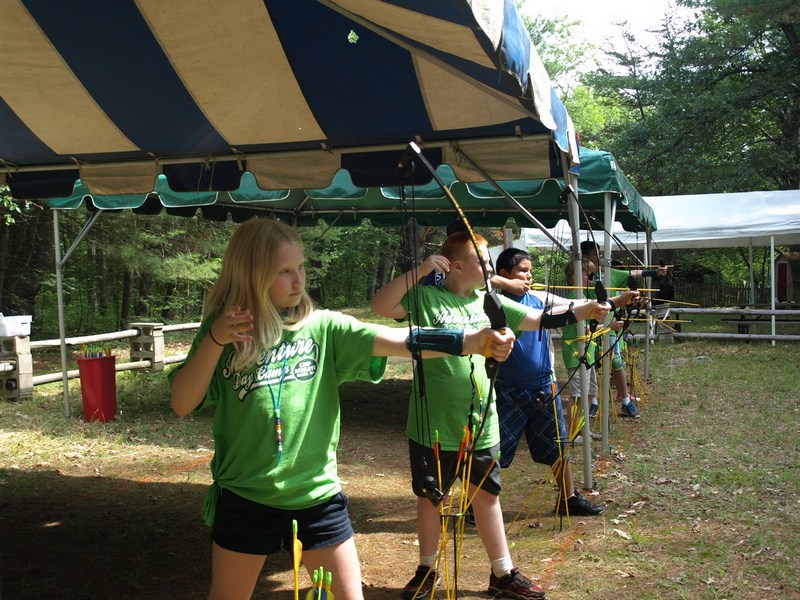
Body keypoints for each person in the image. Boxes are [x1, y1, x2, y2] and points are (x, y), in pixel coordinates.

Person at [169, 219, 516, 600]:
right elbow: (183, 403)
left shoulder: (323, 327)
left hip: (317, 497)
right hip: (245, 497)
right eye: (284, 271)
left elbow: (402, 339)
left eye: (300, 267)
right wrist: (216, 339)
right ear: (250, 274)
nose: (298, 280)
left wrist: (471, 340)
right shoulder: (224, 332)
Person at [370, 231, 612, 600]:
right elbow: (381, 306)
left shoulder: (489, 301)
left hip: (481, 421)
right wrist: (420, 270)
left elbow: (537, 317)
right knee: (430, 498)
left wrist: (586, 309)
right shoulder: (423, 297)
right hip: (432, 423)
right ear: (456, 266)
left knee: (486, 497)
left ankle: (502, 573)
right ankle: (425, 571)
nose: (489, 267)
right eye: (482, 261)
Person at [493, 248, 638, 516]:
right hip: (505, 388)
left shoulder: (538, 298)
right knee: (493, 451)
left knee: (559, 444)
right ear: (503, 274)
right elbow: (479, 282)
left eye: (530, 271)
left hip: (542, 386)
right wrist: (499, 283)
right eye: (522, 271)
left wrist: (617, 301)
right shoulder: (492, 302)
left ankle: (568, 498)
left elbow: (574, 306)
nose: (528, 276)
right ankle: (476, 505)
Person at [578, 241, 667, 418]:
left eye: (599, 253)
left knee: (616, 363)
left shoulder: (609, 274)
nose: (599, 257)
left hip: (609, 328)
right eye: (595, 254)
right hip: (589, 327)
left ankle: (625, 401)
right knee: (592, 362)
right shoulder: (581, 276)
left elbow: (633, 273)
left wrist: (655, 272)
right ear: (585, 257)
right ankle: (593, 401)